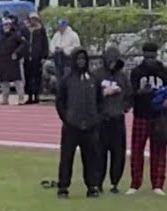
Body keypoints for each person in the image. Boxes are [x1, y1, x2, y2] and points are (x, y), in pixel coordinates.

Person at [55, 49, 102, 198]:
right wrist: (66, 118)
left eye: (83, 59)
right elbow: (60, 101)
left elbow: (100, 101)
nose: (81, 61)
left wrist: (96, 118)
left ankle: (92, 186)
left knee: (91, 158)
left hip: (90, 126)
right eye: (78, 59)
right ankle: (63, 186)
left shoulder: (93, 79)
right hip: (71, 126)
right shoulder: (67, 79)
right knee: (66, 158)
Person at [128, 43, 167, 195]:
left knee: (159, 151)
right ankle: (135, 183)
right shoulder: (137, 72)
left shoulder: (164, 72)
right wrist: (140, 92)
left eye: (152, 56)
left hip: (159, 117)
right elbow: (131, 93)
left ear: (156, 55)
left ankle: (157, 184)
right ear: (143, 55)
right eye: (147, 55)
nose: (150, 59)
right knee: (137, 150)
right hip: (141, 115)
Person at [94, 47, 132, 193]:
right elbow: (92, 95)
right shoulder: (97, 75)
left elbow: (129, 95)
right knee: (99, 153)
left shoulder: (122, 76)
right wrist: (104, 94)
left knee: (118, 153)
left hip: (117, 119)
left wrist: (124, 108)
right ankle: (98, 182)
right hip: (101, 120)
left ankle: (114, 182)